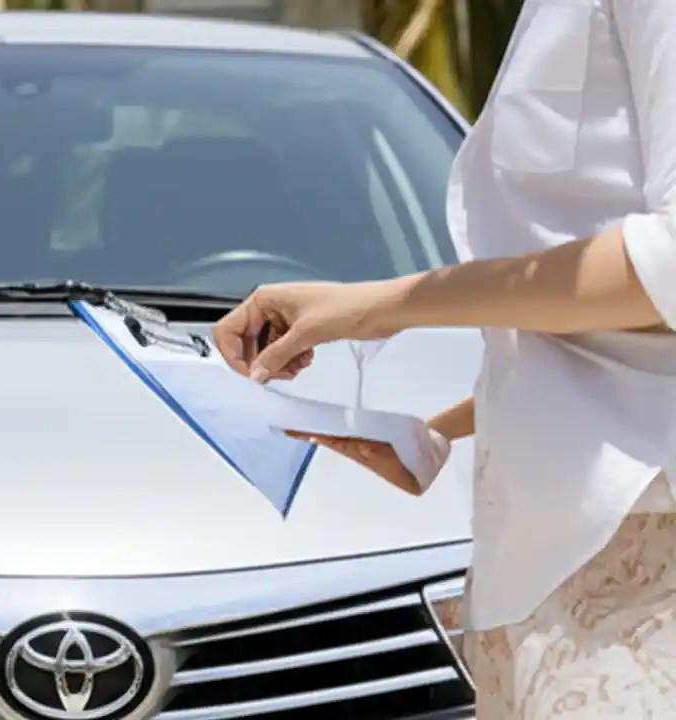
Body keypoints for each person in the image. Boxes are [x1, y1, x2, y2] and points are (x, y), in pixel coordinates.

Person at [212, 1, 676, 717]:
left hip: (640, 553)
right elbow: (603, 334)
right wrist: (438, 431)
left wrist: (384, 303)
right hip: (546, 566)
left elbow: (667, 263)